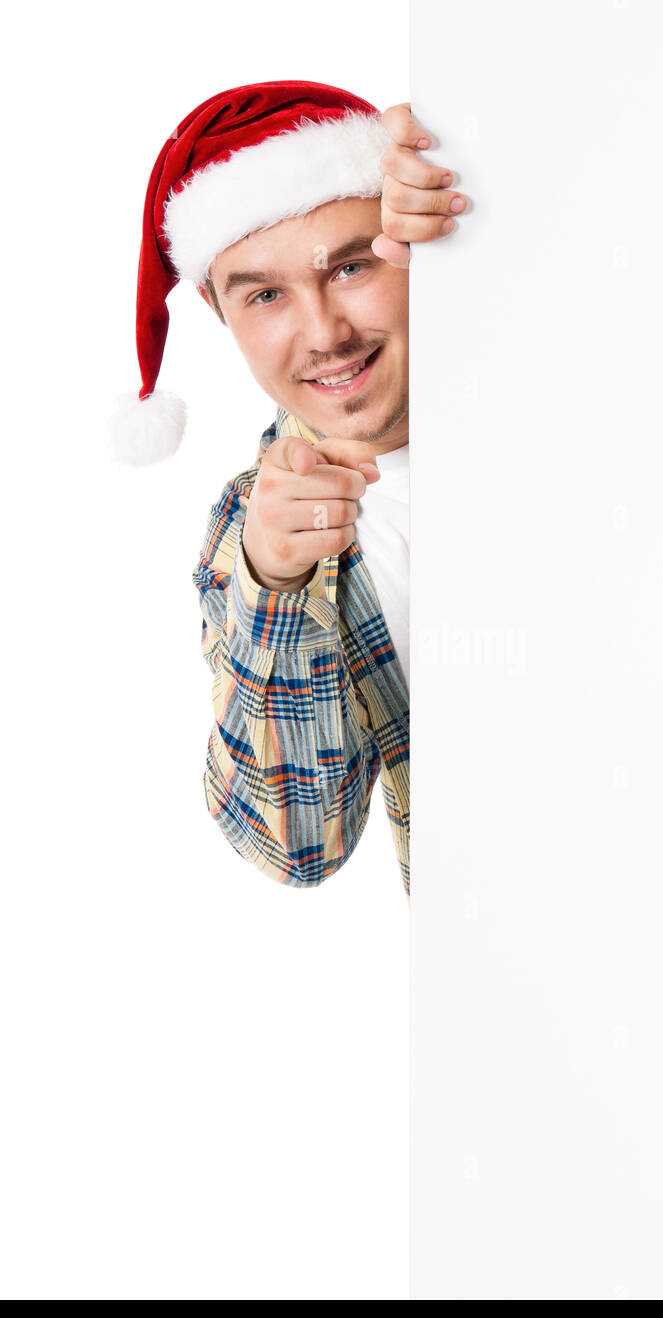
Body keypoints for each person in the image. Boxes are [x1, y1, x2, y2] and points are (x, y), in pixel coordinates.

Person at [110, 83, 467, 896]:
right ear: (217, 310)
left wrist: (479, 158)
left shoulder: (558, 371)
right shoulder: (249, 533)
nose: (324, 333)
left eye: (351, 266)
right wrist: (276, 589)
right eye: (265, 294)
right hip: (509, 981)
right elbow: (297, 847)